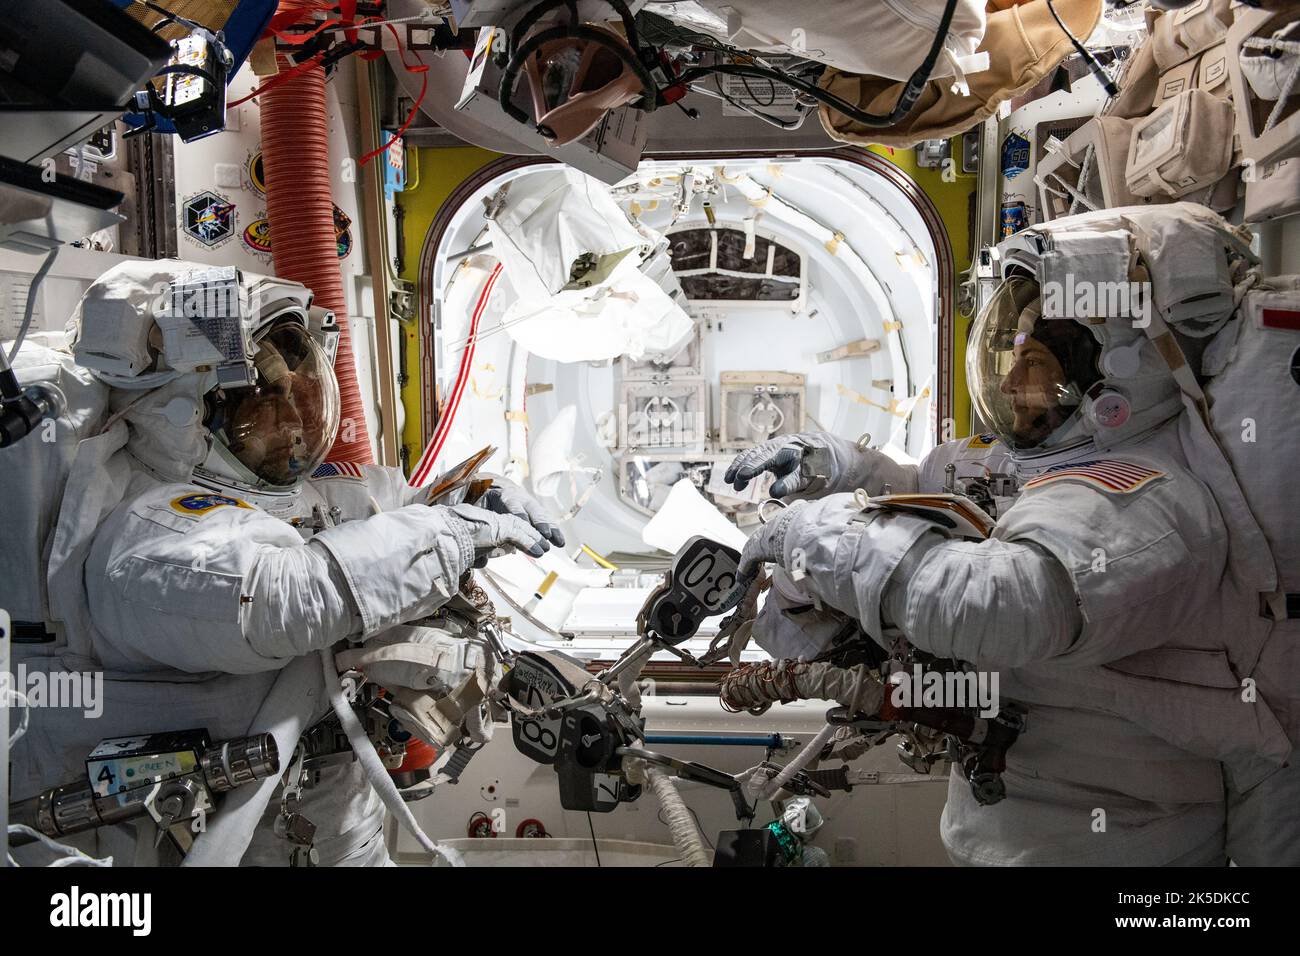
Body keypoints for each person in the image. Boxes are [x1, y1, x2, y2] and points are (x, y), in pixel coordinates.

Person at [724, 208, 1292, 865]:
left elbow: (1002, 603)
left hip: (1112, 844)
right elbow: (930, 485)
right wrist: (833, 468)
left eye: (1038, 361)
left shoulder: (1146, 496)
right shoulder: (1053, 460)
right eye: (1016, 355)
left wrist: (810, 534)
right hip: (1018, 828)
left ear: (1113, 377)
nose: (1012, 380)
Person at [8, 261, 563, 867]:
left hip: (340, 828)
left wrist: (468, 500)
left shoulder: (277, 495)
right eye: (265, 401)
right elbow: (286, 597)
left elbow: (381, 517)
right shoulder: (145, 536)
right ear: (188, 412)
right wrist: (452, 536)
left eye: (300, 396)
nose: (294, 422)